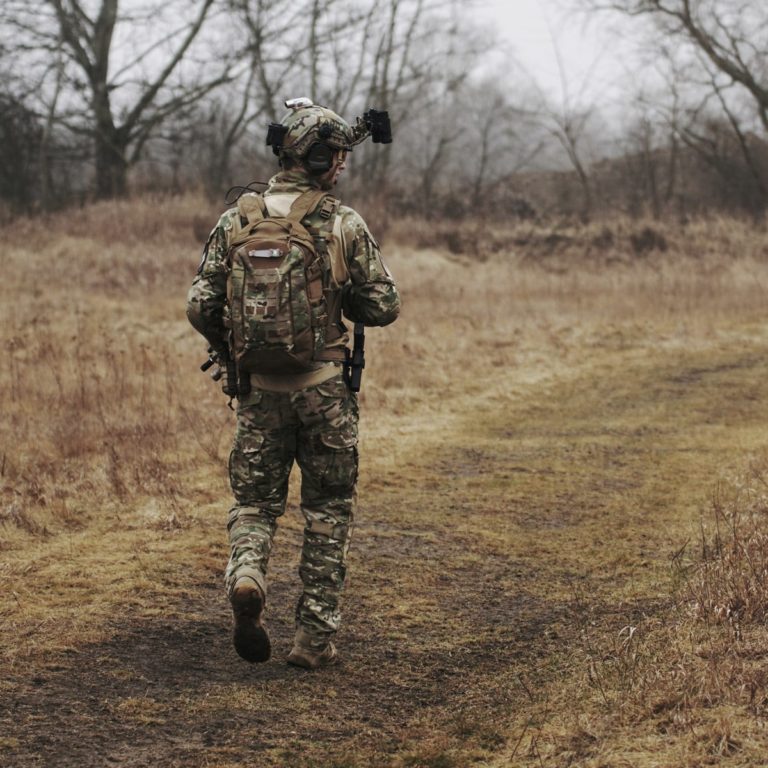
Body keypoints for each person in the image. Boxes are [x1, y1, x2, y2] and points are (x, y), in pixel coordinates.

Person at [186, 98, 400, 669]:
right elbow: (383, 306)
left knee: (255, 503)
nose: (343, 167)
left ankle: (249, 573)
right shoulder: (341, 222)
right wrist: (340, 295)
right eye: (340, 158)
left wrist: (230, 352)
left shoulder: (238, 219)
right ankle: (313, 640)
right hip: (325, 390)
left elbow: (200, 302)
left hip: (258, 392)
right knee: (328, 510)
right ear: (324, 158)